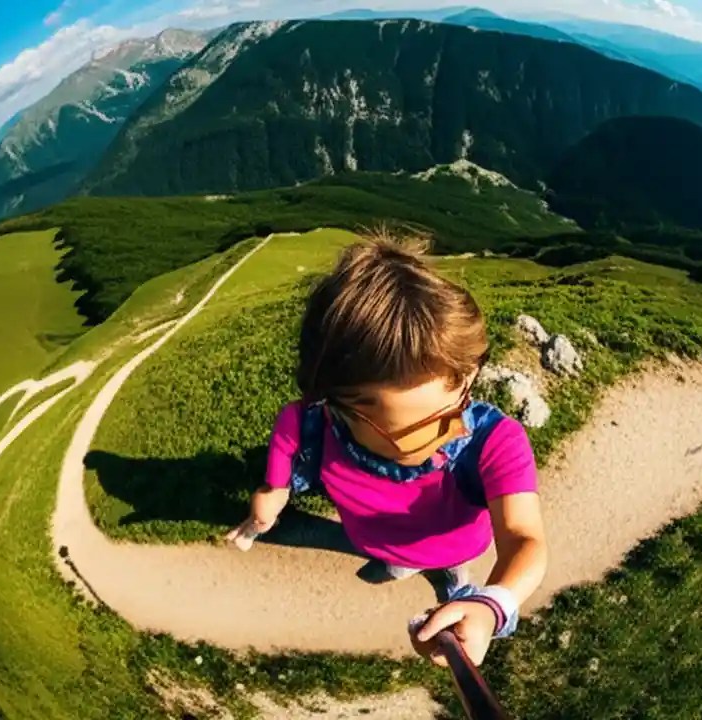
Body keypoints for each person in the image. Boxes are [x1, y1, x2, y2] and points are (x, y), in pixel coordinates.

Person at [224, 232, 547, 667]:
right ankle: (396, 565)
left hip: (451, 549)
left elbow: (525, 539)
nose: (457, 427)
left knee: (447, 578)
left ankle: (445, 583)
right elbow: (291, 426)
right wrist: (275, 487)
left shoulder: (492, 442)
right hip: (374, 537)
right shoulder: (319, 420)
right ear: (341, 408)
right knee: (388, 560)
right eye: (426, 425)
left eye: (463, 395)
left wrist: (492, 605)